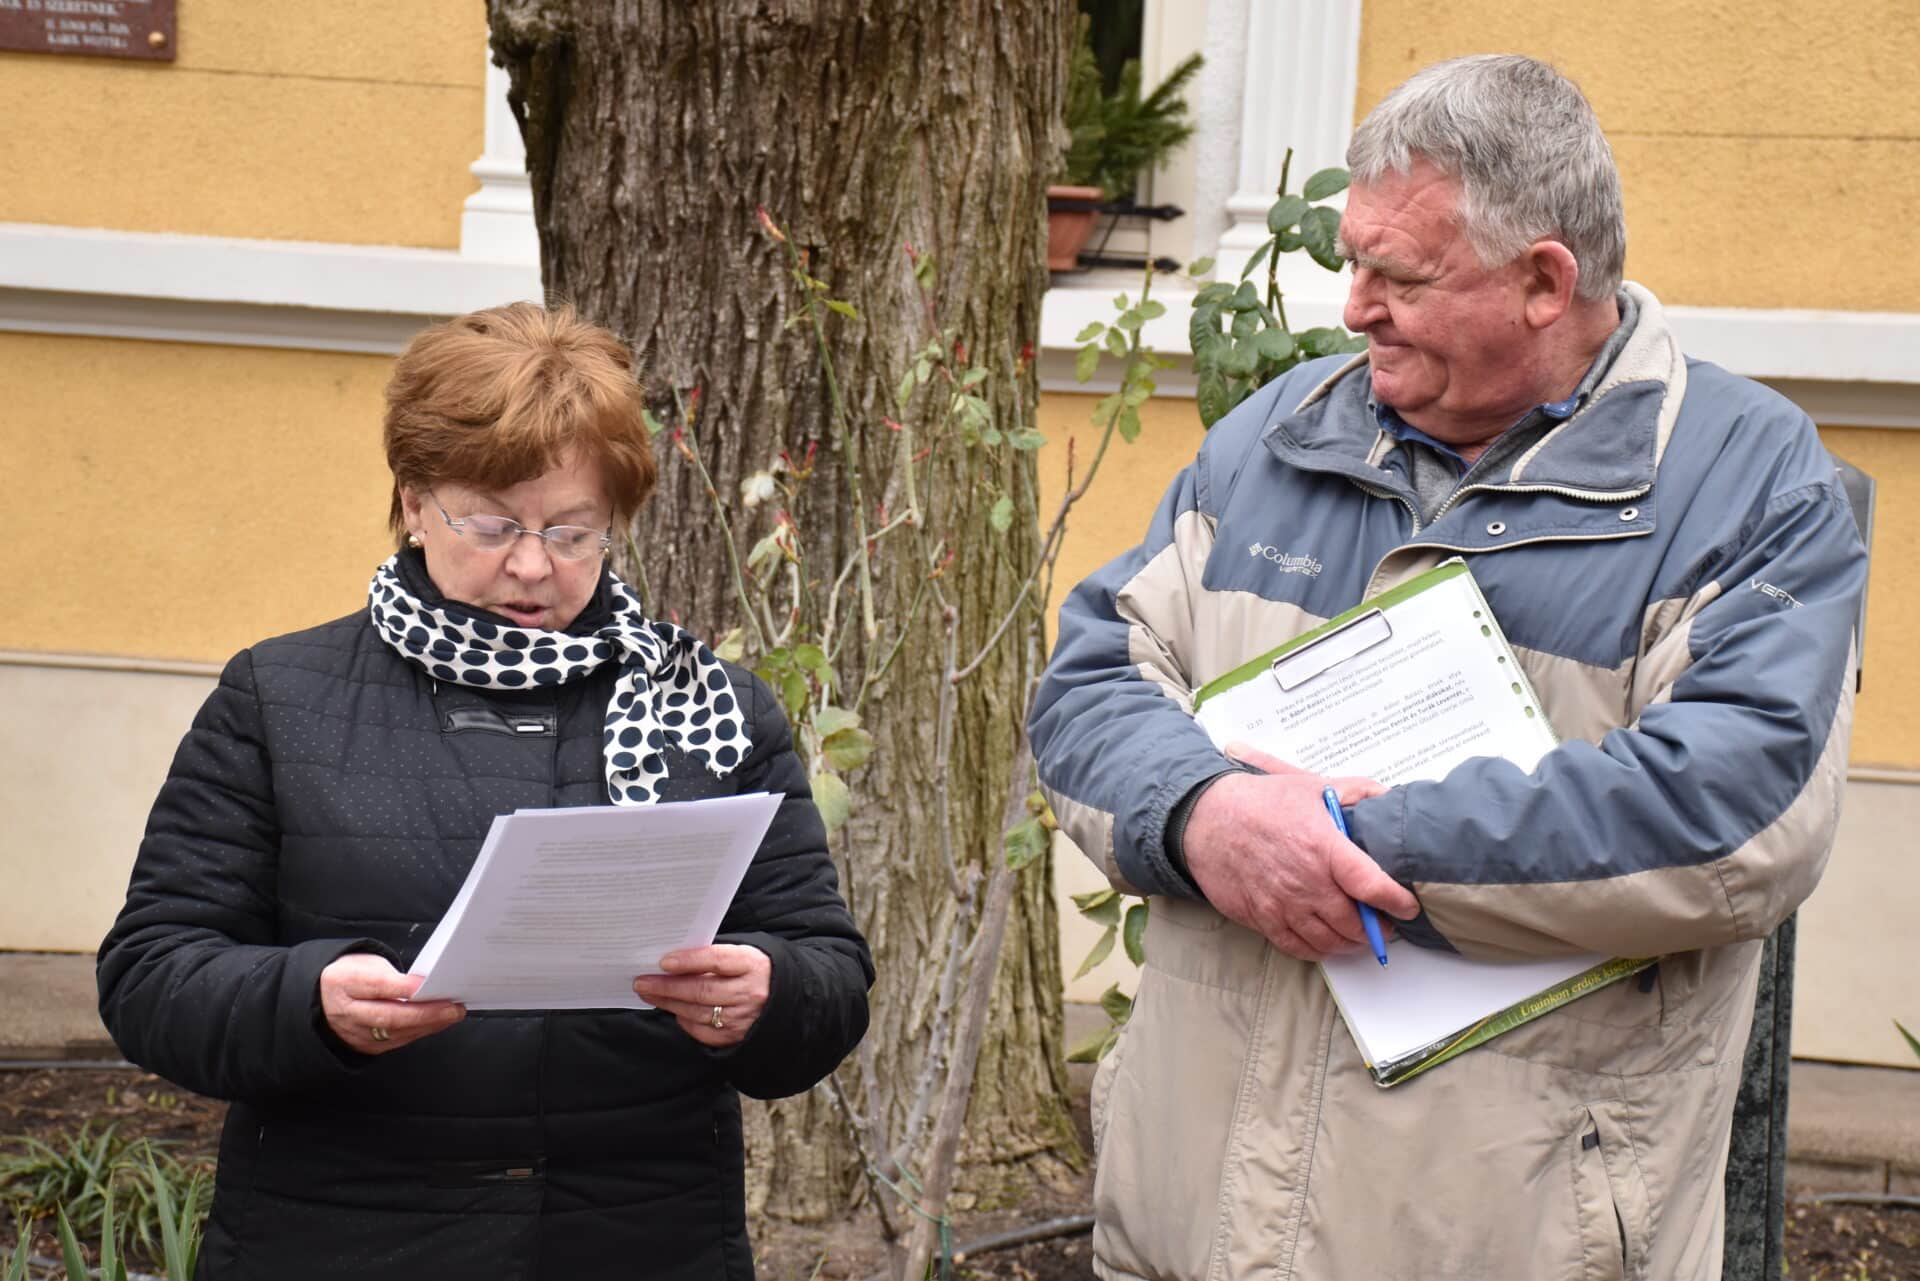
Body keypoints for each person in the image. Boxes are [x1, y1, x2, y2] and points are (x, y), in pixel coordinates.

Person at [1029, 54, 1866, 1281]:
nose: (1356, 307)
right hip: (1185, 1227)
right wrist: (1206, 815)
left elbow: (1736, 815)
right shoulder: (1277, 434)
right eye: (1351, 263)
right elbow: (1092, 681)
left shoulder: (1746, 483)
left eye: (1399, 275)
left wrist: (1336, 845)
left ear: (1544, 283)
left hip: (1501, 1240)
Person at [97, 302, 873, 1280]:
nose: (533, 564)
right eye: (494, 523)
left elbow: (829, 972)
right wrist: (309, 1002)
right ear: (415, 499)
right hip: (347, 1236)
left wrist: (768, 992)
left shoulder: (710, 705)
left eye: (575, 531)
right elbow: (152, 974)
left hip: (641, 1237)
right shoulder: (280, 697)